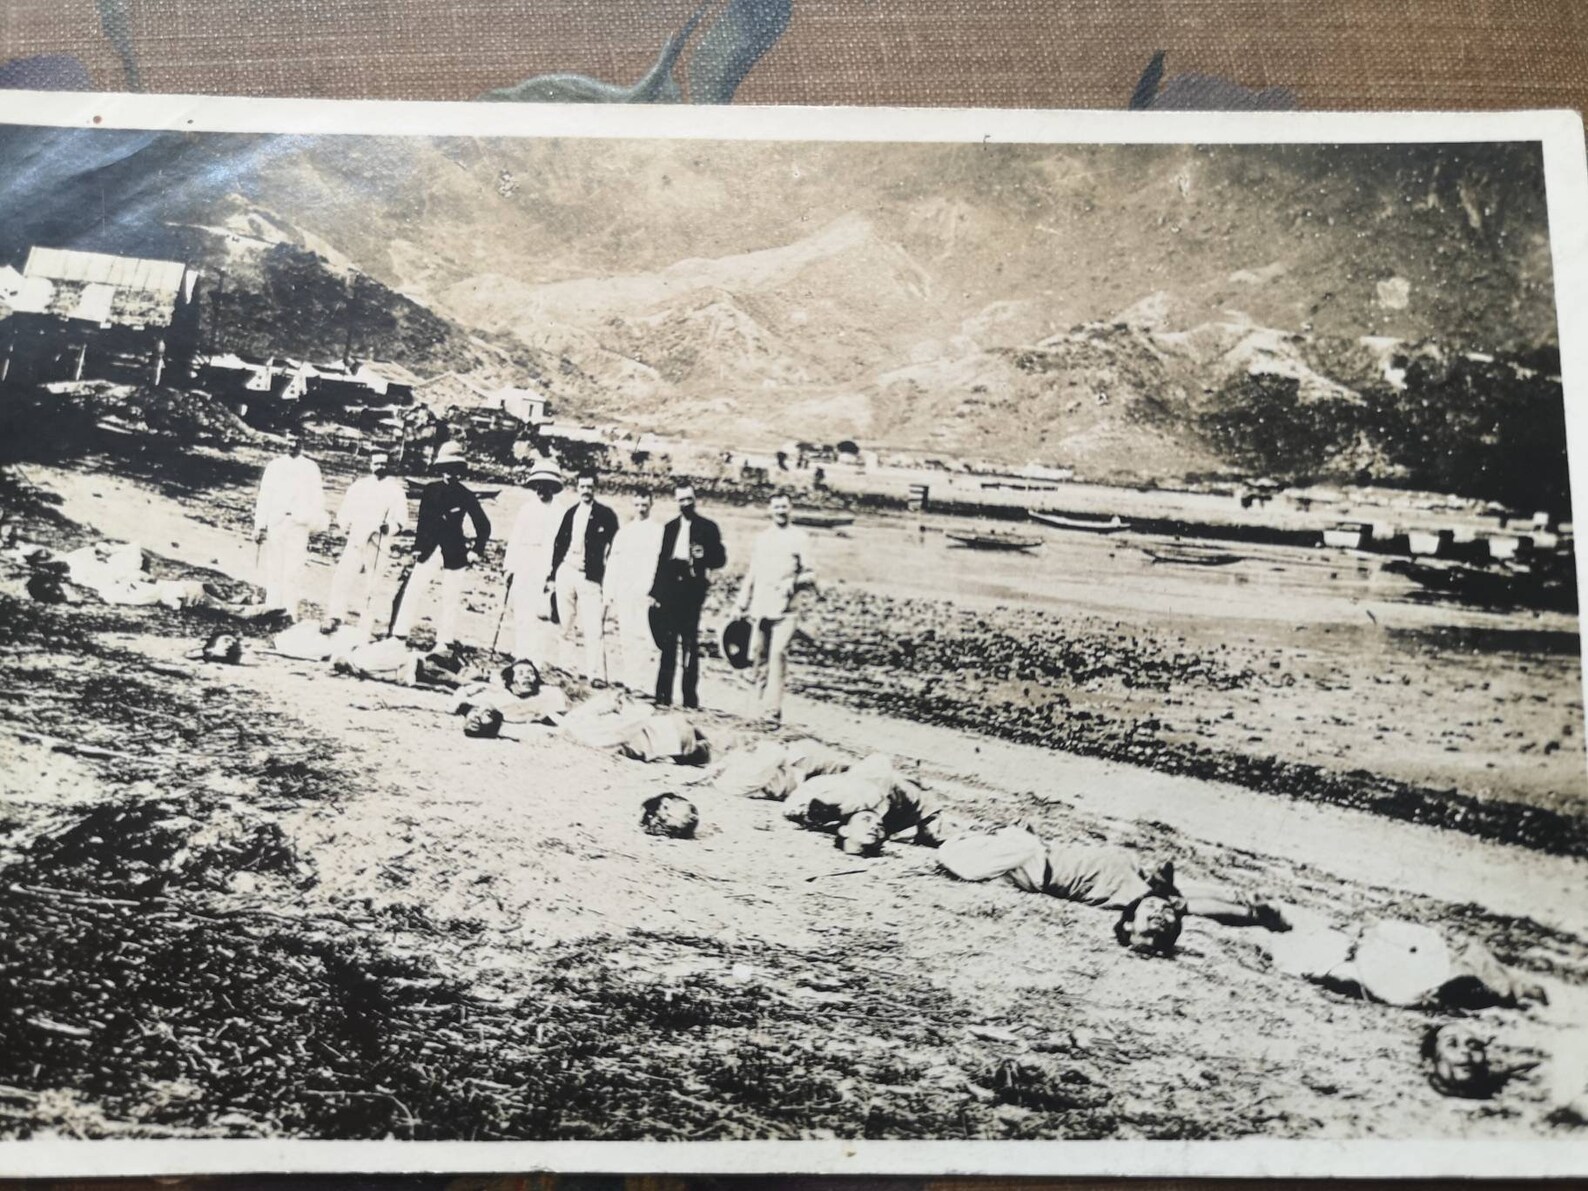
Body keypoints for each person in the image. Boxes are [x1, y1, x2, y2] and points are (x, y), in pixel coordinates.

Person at [938, 824, 1291, 957]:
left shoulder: (1129, 903)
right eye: (1158, 924)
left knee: (1178, 899)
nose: (1157, 918)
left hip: (1089, 870)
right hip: (1092, 870)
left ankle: (1249, 910)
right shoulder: (1132, 903)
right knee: (1179, 900)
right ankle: (1249, 911)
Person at [390, 441, 490, 652]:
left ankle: (444, 642)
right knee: (413, 591)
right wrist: (417, 548)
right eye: (447, 468)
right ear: (441, 468)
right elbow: (422, 522)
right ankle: (399, 636)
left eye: (455, 469)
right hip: (429, 549)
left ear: (460, 471)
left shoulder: (466, 494)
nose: (450, 473)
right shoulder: (430, 490)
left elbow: (484, 525)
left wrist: (476, 551)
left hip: (454, 552)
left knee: (450, 598)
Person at [735, 493, 816, 725]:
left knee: (778, 655)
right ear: (770, 510)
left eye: (784, 507)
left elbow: (811, 574)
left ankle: (772, 712)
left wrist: (793, 582)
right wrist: (741, 602)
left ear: (791, 509)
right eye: (776, 507)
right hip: (762, 606)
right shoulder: (763, 538)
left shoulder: (800, 538)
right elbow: (753, 572)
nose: (780, 511)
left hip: (787, 610)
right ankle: (755, 709)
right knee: (758, 657)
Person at [650, 482, 726, 708]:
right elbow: (662, 562)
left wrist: (706, 555)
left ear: (695, 499)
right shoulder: (670, 527)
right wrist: (656, 593)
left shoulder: (708, 527)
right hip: (670, 587)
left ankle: (689, 699)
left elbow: (720, 559)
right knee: (668, 643)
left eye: (688, 499)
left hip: (692, 590)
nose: (685, 504)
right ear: (676, 502)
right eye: (681, 500)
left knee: (690, 645)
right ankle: (662, 696)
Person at [324, 451, 407, 633]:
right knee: (342, 577)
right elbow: (344, 513)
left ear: (389, 466)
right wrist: (348, 527)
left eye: (383, 464)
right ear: (370, 465)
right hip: (356, 540)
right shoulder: (358, 487)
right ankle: (335, 616)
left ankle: (366, 624)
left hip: (378, 543)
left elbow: (401, 520)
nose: (380, 467)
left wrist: (390, 527)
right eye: (376, 463)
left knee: (373, 585)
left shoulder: (396, 490)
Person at [548, 471, 618, 683]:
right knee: (566, 624)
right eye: (582, 486)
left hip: (590, 576)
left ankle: (596, 674)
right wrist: (553, 574)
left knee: (593, 627)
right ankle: (568, 669)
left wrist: (609, 578)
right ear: (577, 488)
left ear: (595, 488)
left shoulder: (606, 514)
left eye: (589, 486)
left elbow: (616, 547)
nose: (586, 490)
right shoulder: (570, 513)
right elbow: (558, 544)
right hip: (566, 572)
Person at [252, 427, 327, 620]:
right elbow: (264, 497)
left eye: (297, 441)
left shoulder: (311, 468)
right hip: (276, 522)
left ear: (303, 443)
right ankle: (272, 609)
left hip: (298, 524)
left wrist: (312, 522)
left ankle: (289, 613)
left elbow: (317, 499)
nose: (293, 445)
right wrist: (260, 525)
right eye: (290, 440)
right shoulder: (274, 466)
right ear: (285, 441)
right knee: (274, 567)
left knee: (293, 570)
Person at [502, 461, 566, 666]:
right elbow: (515, 539)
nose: (541, 489)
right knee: (521, 610)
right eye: (538, 484)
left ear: (553, 488)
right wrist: (509, 567)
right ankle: (521, 653)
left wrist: (555, 573)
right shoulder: (526, 509)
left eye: (546, 485)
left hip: (546, 565)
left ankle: (536, 659)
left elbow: (561, 544)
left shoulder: (561, 512)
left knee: (541, 613)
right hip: (524, 563)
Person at [605, 490, 665, 691]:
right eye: (637, 504)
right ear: (633, 505)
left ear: (651, 504)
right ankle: (631, 681)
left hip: (646, 593)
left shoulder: (659, 532)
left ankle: (645, 685)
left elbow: (661, 565)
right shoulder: (624, 533)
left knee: (646, 639)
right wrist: (610, 592)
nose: (641, 508)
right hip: (625, 592)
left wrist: (657, 592)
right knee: (627, 638)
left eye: (644, 505)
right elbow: (613, 563)